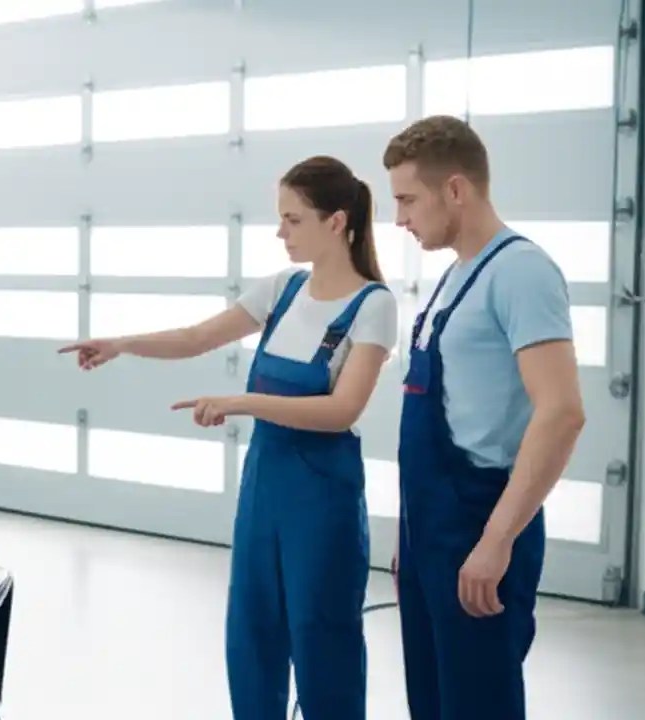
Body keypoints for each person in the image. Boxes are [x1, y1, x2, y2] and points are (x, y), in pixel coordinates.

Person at [59, 155, 398, 720]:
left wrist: (239, 403)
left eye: (293, 219)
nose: (280, 232)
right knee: (253, 628)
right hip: (265, 487)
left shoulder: (373, 305)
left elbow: (341, 410)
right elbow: (196, 337)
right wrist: (121, 343)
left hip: (324, 498)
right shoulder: (283, 290)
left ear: (335, 222)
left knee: (322, 635)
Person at [382, 115, 586, 720]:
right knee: (434, 701)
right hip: (429, 534)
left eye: (407, 200)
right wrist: (410, 539)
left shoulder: (521, 272)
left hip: (480, 524)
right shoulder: (451, 279)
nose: (399, 219)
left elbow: (562, 412)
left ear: (454, 189)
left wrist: (497, 541)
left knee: (479, 705)